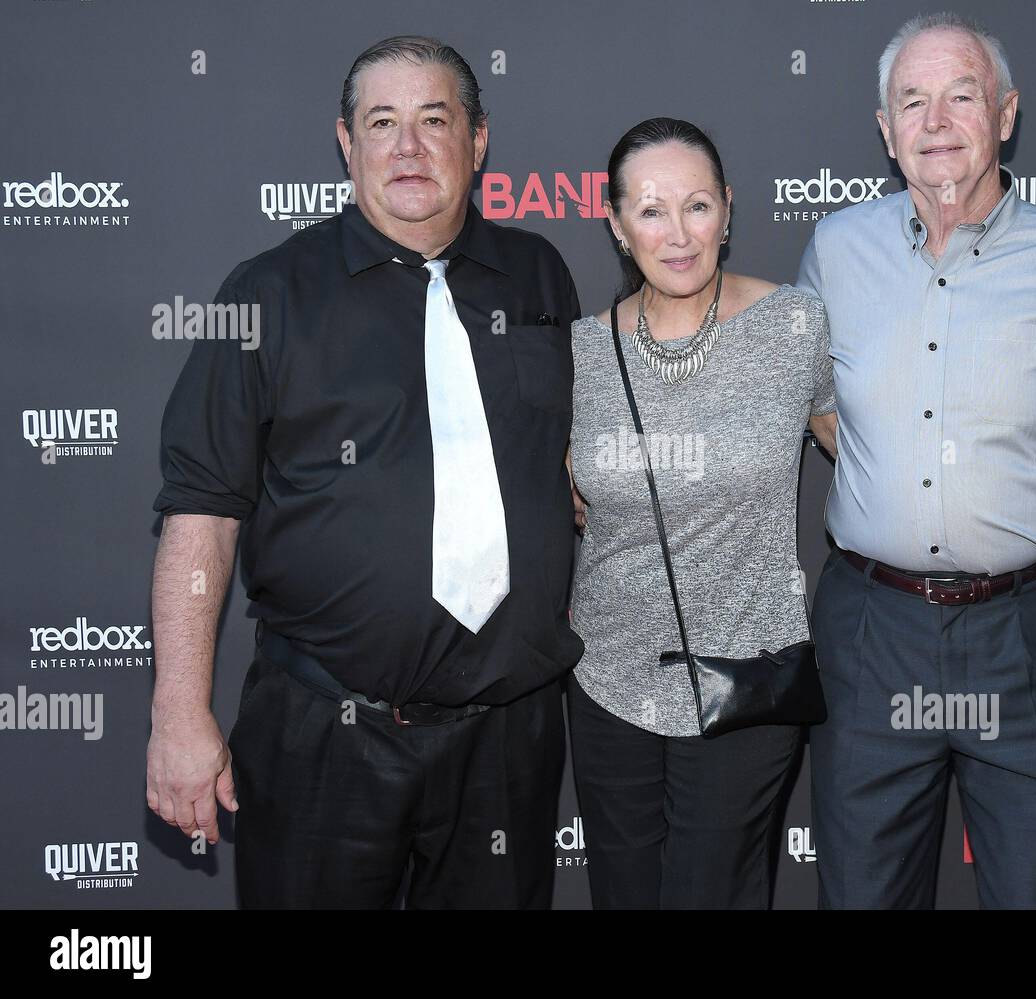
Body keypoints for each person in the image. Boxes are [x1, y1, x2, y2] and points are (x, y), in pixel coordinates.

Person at [145, 35, 584, 908]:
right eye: (382, 123)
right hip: (324, 738)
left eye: (434, 119)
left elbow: (565, 456)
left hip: (508, 739)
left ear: (479, 139)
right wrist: (178, 712)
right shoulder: (266, 295)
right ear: (347, 144)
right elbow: (203, 512)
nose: (409, 147)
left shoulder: (538, 274)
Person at [797, 12, 1036, 908]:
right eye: (913, 101)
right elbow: (818, 402)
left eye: (961, 96)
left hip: (1028, 636)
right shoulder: (836, 250)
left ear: (1005, 115)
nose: (937, 122)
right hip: (870, 634)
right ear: (885, 130)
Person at [565, 117, 838, 908]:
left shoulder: (793, 326)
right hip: (608, 680)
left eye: (697, 206)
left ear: (728, 209)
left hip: (747, 680)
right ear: (616, 225)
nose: (678, 234)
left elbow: (856, 453)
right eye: (650, 211)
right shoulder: (579, 352)